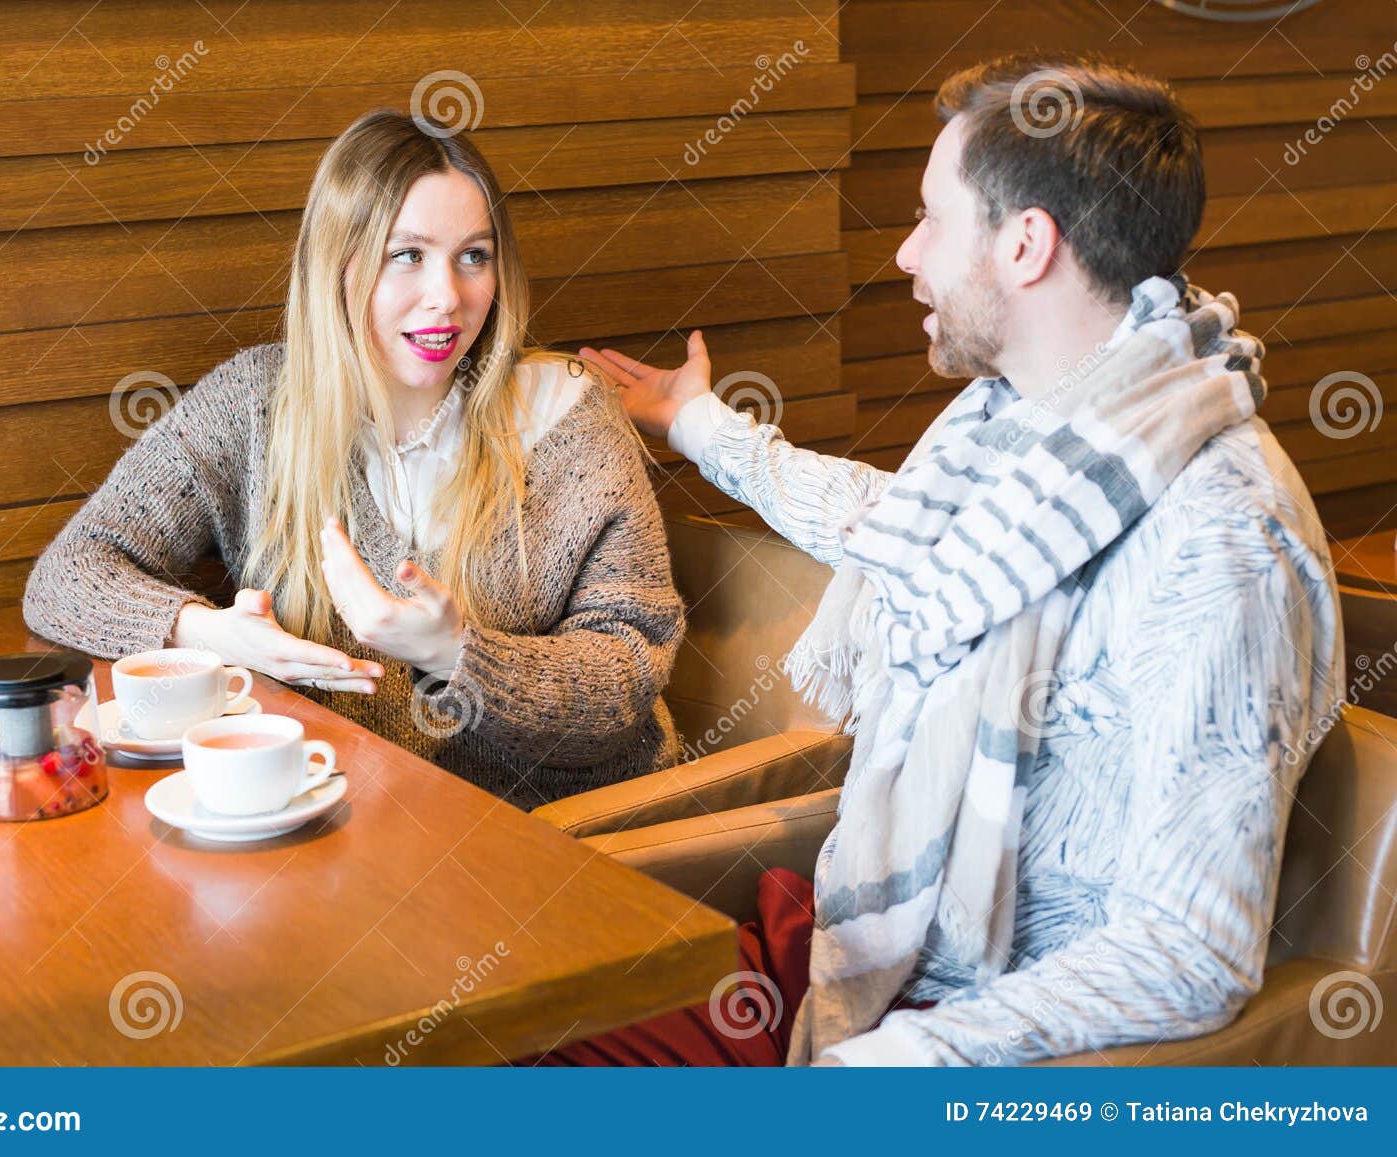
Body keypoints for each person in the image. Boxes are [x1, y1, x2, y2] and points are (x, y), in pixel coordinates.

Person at [553, 53, 1345, 1065]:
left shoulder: (1224, 538)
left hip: (967, 1022)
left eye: (931, 218)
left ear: (1025, 244)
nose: (905, 253)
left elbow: (1188, 951)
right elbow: (892, 527)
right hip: (872, 955)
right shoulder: (1044, 428)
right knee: (521, 1019)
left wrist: (878, 1068)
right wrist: (700, 424)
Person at [23, 109, 684, 809]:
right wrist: (216, 636)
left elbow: (629, 676)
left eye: (474, 256)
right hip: (343, 826)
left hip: (562, 829)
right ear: (338, 263)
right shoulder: (255, 404)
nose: (448, 297)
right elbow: (67, 575)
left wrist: (455, 653)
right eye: (407, 255)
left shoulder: (567, 414)